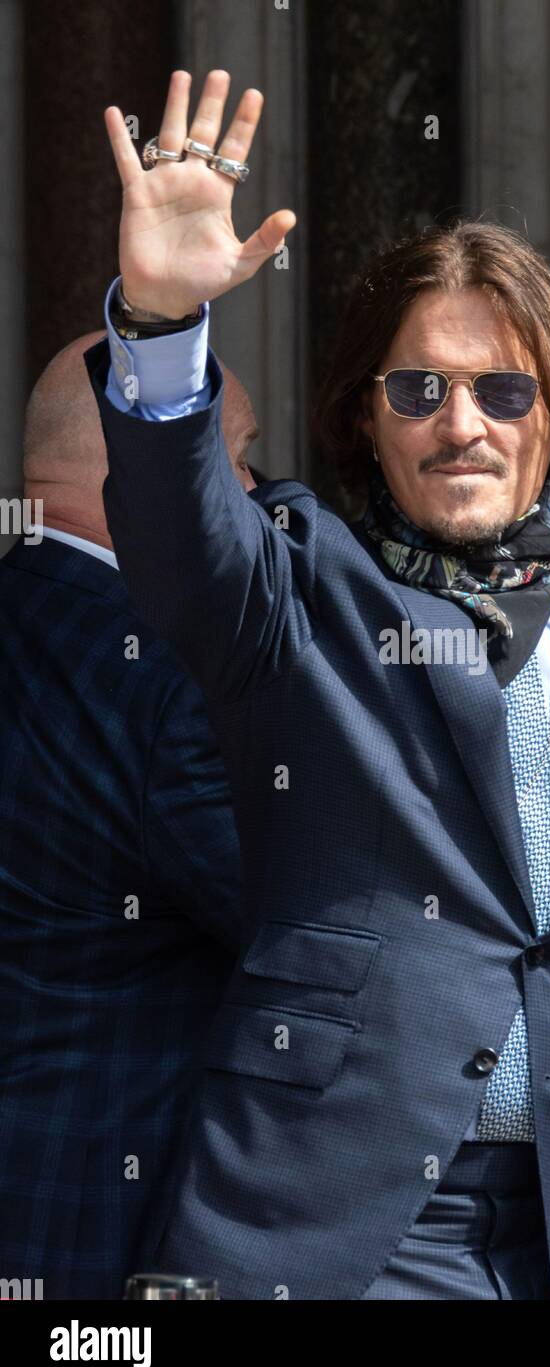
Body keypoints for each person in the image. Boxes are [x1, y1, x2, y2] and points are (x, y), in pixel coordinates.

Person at [86, 68, 550, 1301]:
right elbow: (184, 546)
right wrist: (158, 322)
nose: (458, 423)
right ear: (368, 420)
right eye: (417, 389)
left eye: (500, 390)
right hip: (323, 1229)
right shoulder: (302, 585)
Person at [0, 329, 258, 1299]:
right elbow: (297, 927)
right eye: (233, 458)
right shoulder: (164, 683)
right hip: (98, 1233)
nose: (253, 495)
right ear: (140, 473)